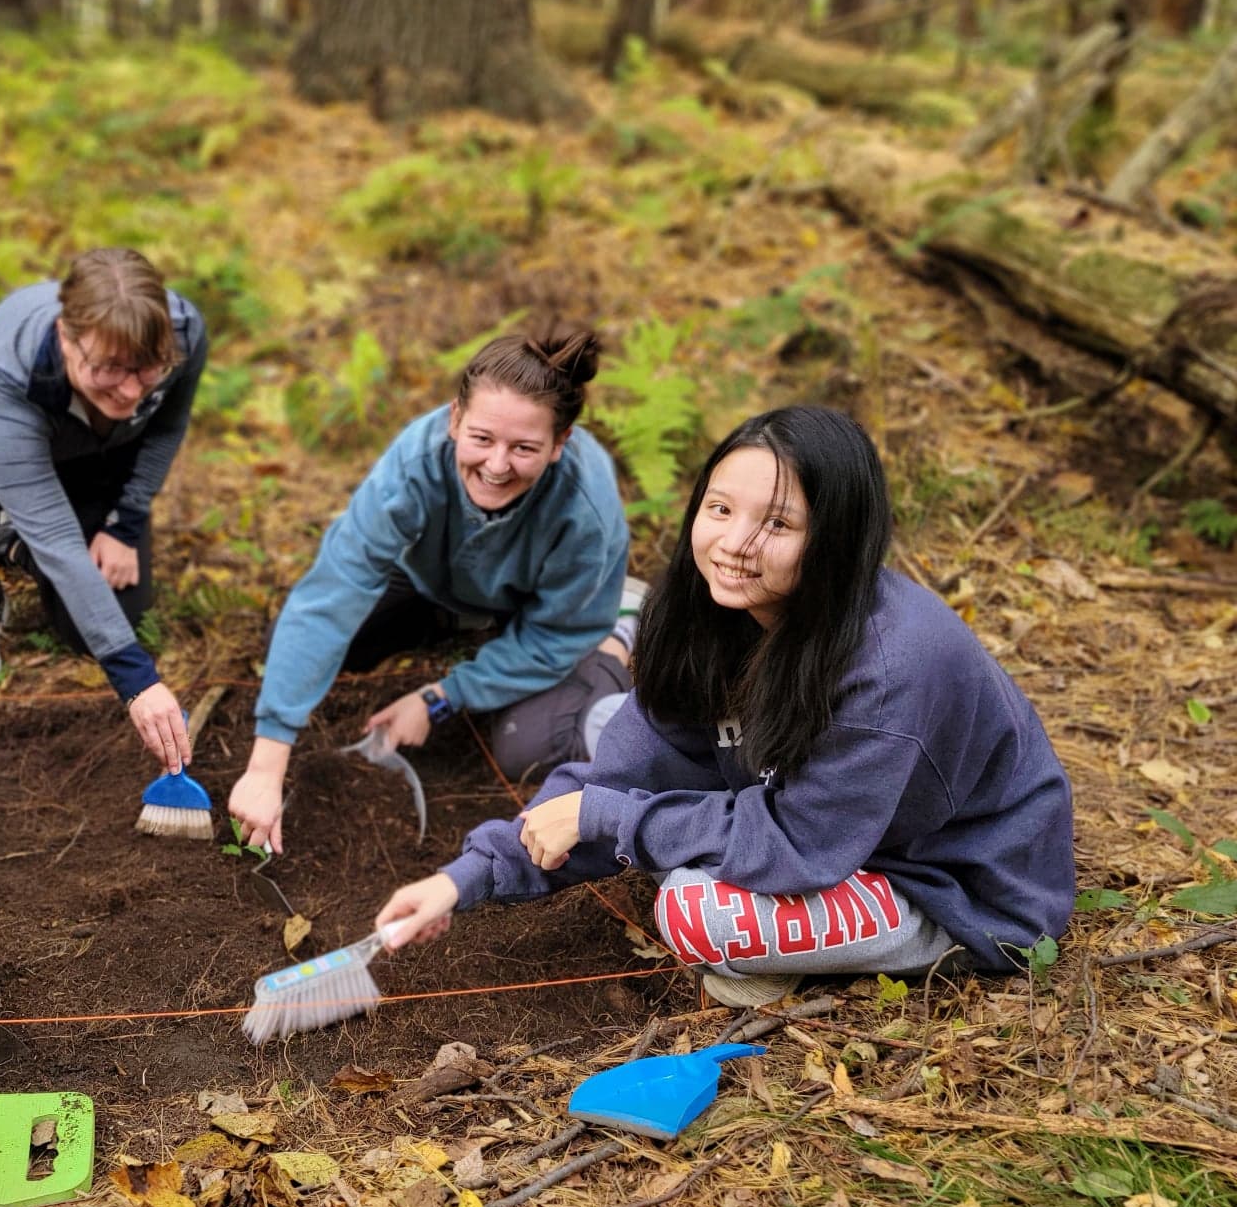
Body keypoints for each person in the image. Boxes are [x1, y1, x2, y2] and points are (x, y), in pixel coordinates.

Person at [374, 406, 1075, 1008]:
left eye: (777, 523)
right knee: (615, 758)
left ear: (835, 537)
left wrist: (614, 817)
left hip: (950, 881)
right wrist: (461, 881)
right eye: (720, 509)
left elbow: (799, 846)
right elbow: (618, 776)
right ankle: (780, 928)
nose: (734, 545)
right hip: (826, 828)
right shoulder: (723, 614)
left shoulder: (890, 667)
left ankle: (834, 949)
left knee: (695, 908)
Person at [229, 329, 633, 855]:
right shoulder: (417, 461)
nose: (496, 465)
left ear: (560, 444)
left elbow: (555, 636)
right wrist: (267, 762)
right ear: (454, 419)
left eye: (525, 448)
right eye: (482, 438)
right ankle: (459, 623)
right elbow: (333, 595)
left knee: (528, 747)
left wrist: (440, 698)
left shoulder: (586, 511)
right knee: (292, 643)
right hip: (437, 585)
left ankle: (623, 619)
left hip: (543, 610)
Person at [0, 248, 207, 773]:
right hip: (3, 445)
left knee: (91, 631)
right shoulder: (9, 380)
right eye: (108, 368)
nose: (131, 391)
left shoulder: (182, 334)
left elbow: (166, 428)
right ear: (66, 338)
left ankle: (20, 539)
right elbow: (61, 544)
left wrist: (123, 524)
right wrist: (138, 681)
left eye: (147, 370)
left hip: (99, 455)